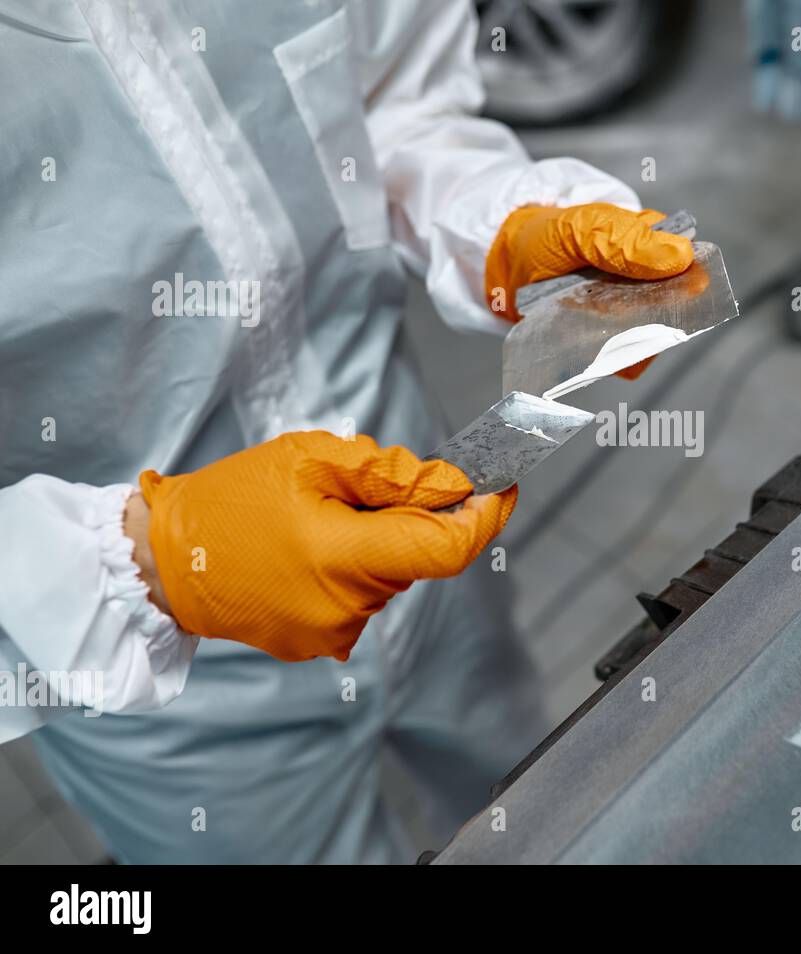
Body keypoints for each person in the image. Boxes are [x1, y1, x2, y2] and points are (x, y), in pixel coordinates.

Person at [0, 0, 692, 863]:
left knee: (536, 808)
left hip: (421, 519)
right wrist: (149, 561)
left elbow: (389, 102)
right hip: (156, 679)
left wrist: (498, 224)